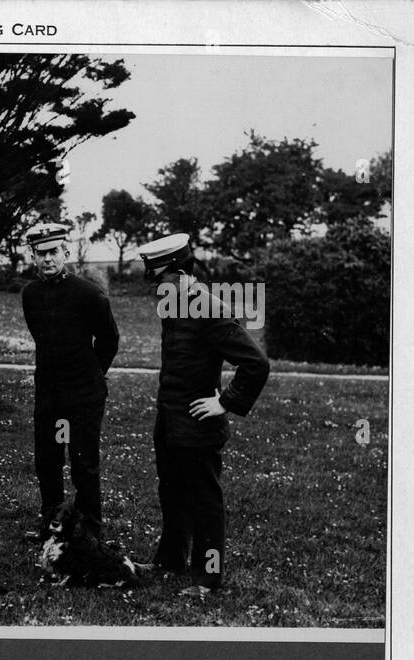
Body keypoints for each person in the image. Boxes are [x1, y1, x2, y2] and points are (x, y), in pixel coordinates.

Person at [136, 233, 271, 597]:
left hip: (198, 425)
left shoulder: (209, 308)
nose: (156, 288)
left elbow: (256, 364)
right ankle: (170, 561)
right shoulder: (175, 303)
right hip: (170, 420)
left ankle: (207, 579)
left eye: (160, 279)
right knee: (172, 492)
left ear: (180, 272)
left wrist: (225, 402)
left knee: (204, 501)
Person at [21, 222, 119, 538]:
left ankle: (90, 527)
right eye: (41, 253)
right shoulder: (31, 294)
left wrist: (90, 375)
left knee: (83, 463)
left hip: (83, 393)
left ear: (65, 252)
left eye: (53, 252)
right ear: (33, 256)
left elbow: (109, 339)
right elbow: (41, 336)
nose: (47, 259)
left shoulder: (89, 293)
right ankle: (51, 522)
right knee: (47, 460)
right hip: (48, 393)